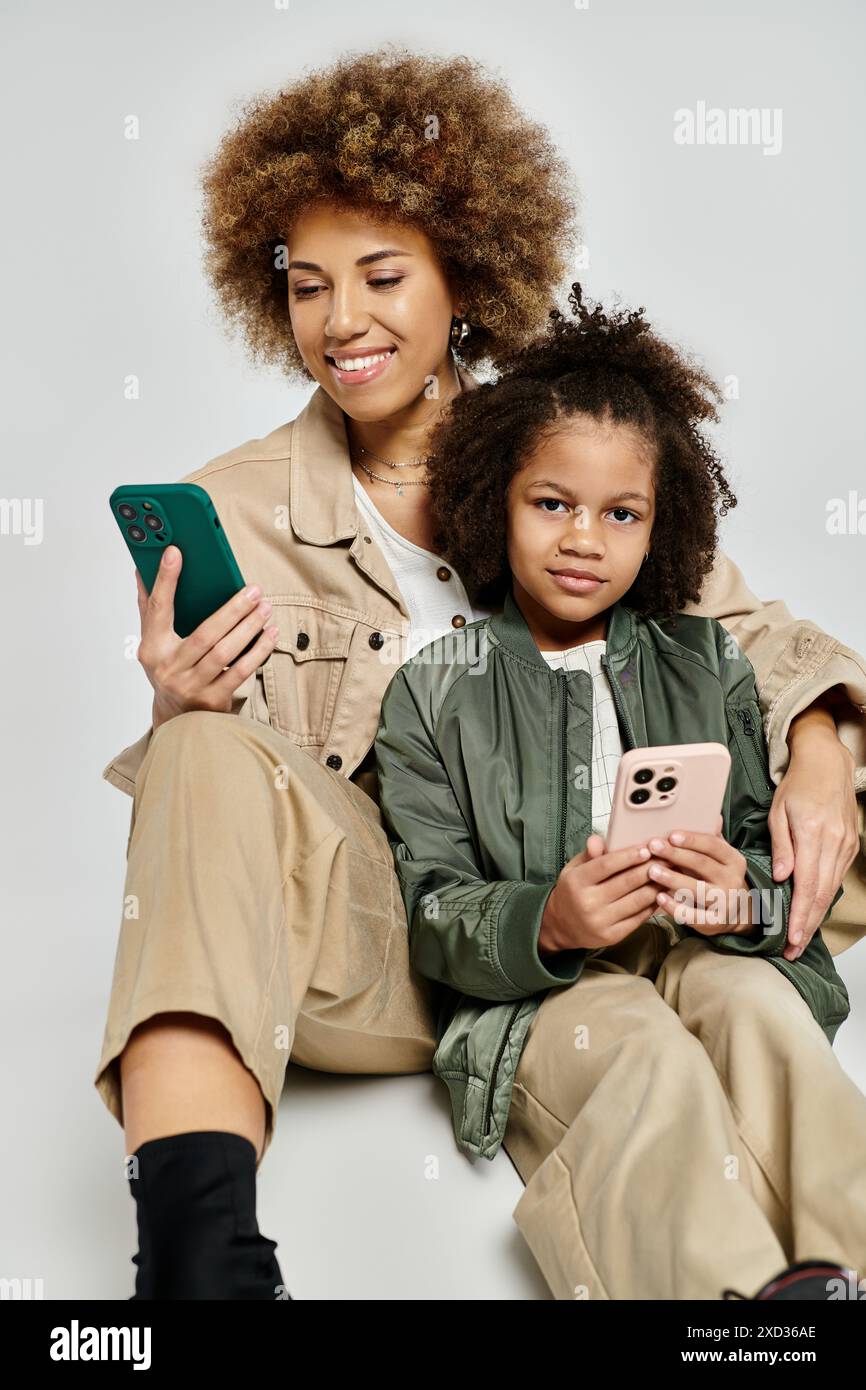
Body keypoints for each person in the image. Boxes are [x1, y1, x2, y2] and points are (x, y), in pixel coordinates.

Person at [95, 47, 866, 1299]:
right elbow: (232, 830)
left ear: (463, 274)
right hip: (387, 939)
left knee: (715, 1029)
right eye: (305, 288)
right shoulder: (237, 507)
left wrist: (825, 741)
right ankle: (197, 1264)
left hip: (608, 921)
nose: (340, 322)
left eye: (381, 276)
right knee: (191, 749)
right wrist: (177, 707)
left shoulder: (560, 459)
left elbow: (747, 632)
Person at [372, 283, 866, 1300]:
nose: (583, 538)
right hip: (549, 997)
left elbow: (768, 887)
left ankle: (845, 1263)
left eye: (619, 512)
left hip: (696, 949)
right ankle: (735, 1308)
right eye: (550, 503)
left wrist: (734, 894)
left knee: (754, 1005)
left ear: (660, 524)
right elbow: (431, 909)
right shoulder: (432, 690)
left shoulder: (705, 660)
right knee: (639, 1048)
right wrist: (544, 921)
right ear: (491, 501)